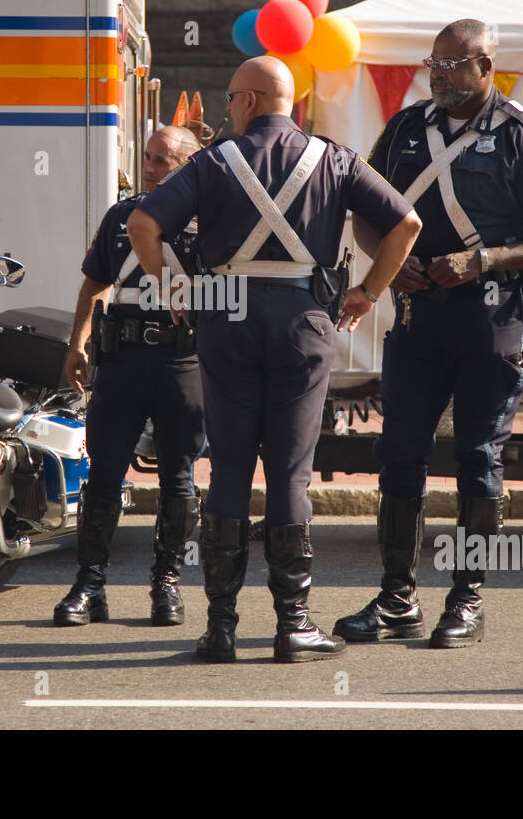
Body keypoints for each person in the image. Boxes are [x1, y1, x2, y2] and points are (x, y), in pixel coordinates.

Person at [129, 57, 421, 663]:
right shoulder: (333, 157)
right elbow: (406, 222)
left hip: (224, 319)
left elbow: (142, 223)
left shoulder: (213, 162)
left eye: (233, 97)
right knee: (290, 472)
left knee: (230, 469)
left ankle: (221, 629)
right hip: (302, 323)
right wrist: (370, 291)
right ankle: (293, 625)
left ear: (253, 101)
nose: (228, 107)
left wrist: (173, 288)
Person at [336, 19, 523, 649]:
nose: (437, 75)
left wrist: (484, 260)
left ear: (485, 67)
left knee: (478, 459)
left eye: (451, 65)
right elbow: (366, 215)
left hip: (493, 321)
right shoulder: (405, 129)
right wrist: (391, 269)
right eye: (432, 63)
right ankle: (396, 599)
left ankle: (466, 600)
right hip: (420, 319)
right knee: (399, 455)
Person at [52, 126, 206, 627]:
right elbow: (95, 284)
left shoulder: (213, 223)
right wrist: (77, 343)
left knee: (178, 479)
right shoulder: (122, 216)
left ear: (187, 166)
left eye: (162, 161)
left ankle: (166, 584)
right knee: (102, 475)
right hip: (119, 362)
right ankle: (89, 585)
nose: (149, 168)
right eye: (147, 158)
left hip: (181, 363)